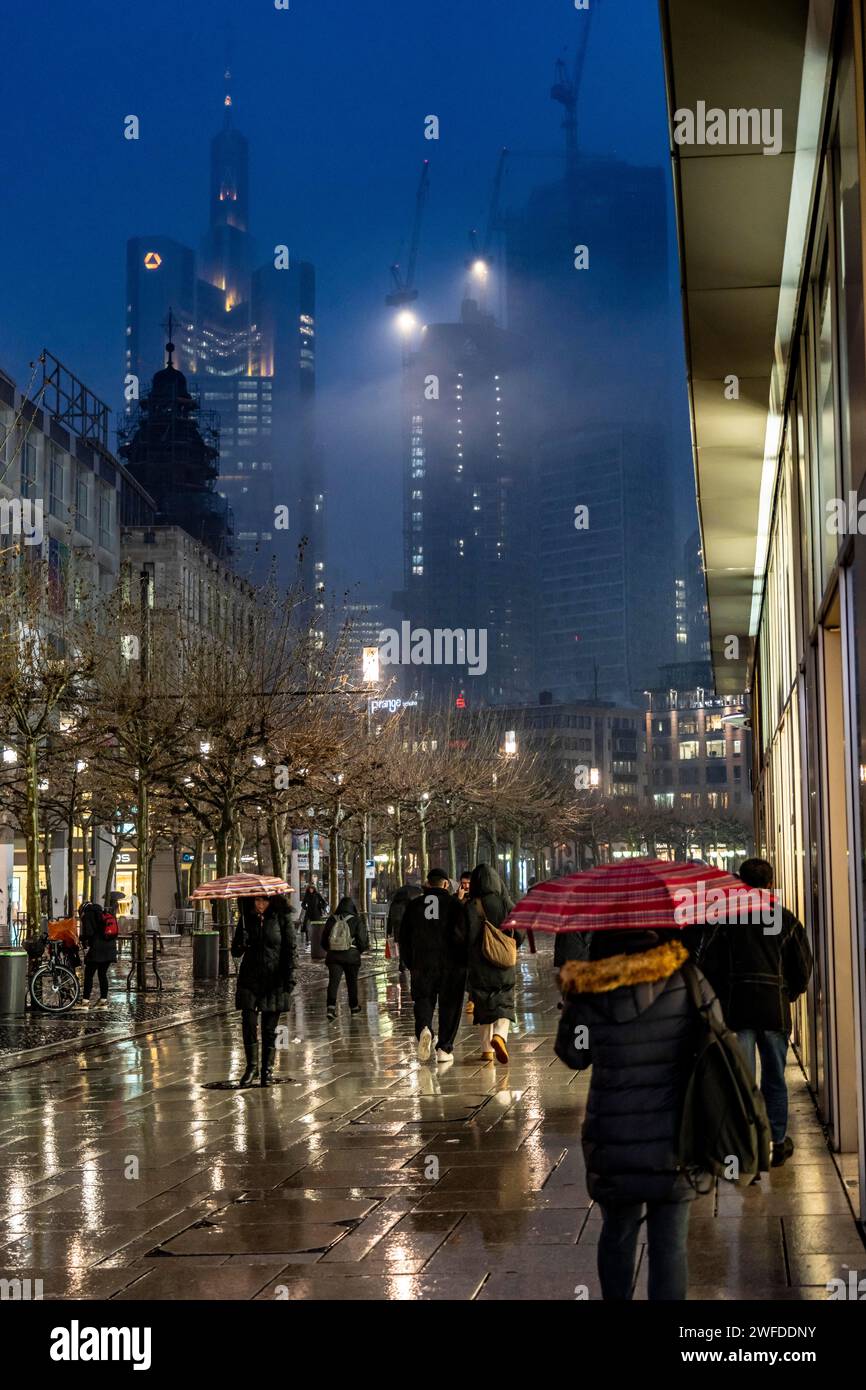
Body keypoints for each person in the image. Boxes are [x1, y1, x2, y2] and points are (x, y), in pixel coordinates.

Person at [559, 927, 720, 1301]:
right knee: (670, 1246)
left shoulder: (589, 988)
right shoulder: (687, 979)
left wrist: (573, 1003)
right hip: (676, 1136)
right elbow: (716, 1037)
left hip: (613, 1136)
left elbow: (574, 1055)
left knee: (617, 1233)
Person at [699, 856, 813, 1168]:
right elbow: (802, 966)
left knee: (743, 1079)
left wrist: (723, 998)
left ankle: (748, 1144)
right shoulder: (785, 919)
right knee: (775, 1077)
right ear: (771, 883)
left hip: (739, 1010)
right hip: (773, 1009)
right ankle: (776, 1142)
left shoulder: (726, 919)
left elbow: (709, 964)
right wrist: (789, 992)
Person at [399, 868, 468, 1064]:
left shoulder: (414, 906)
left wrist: (410, 962)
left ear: (428, 884)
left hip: (422, 963)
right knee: (450, 1005)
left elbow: (404, 937)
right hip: (451, 964)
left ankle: (424, 1028)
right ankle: (444, 1049)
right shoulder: (455, 905)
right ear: (446, 884)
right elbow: (462, 935)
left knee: (423, 999)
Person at [231, 894, 296, 1087]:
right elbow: (235, 951)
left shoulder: (281, 918)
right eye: (257, 901)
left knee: (269, 1028)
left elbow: (290, 948)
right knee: (249, 1023)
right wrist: (241, 942)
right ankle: (251, 1068)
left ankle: (267, 1070)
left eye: (264, 901)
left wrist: (290, 977)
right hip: (250, 979)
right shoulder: (245, 919)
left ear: (272, 902)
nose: (260, 905)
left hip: (274, 979)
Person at [464, 863, 521, 1063]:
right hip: (503, 961)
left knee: (482, 1003)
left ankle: (487, 1050)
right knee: (504, 1000)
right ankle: (500, 1035)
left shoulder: (472, 905)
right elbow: (520, 932)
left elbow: (462, 935)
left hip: (479, 962)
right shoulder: (506, 904)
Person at [322, 895, 368, 1019]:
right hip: (351, 956)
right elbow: (363, 941)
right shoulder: (356, 920)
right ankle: (354, 1007)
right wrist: (357, 951)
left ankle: (330, 1008)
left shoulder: (331, 919)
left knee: (333, 982)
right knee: (352, 982)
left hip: (334, 957)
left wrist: (331, 949)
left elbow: (324, 940)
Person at [79, 901, 116, 1008]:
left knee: (89, 975)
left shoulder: (88, 915)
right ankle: (103, 1000)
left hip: (97, 949)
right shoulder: (104, 913)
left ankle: (85, 1001)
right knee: (102, 974)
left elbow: (89, 933)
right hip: (110, 948)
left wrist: (82, 938)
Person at [386, 882, 422, 974]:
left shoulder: (393, 904)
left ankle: (401, 964)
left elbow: (389, 918)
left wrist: (389, 930)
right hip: (407, 928)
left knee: (401, 946)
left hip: (397, 929)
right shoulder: (408, 903)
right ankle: (406, 963)